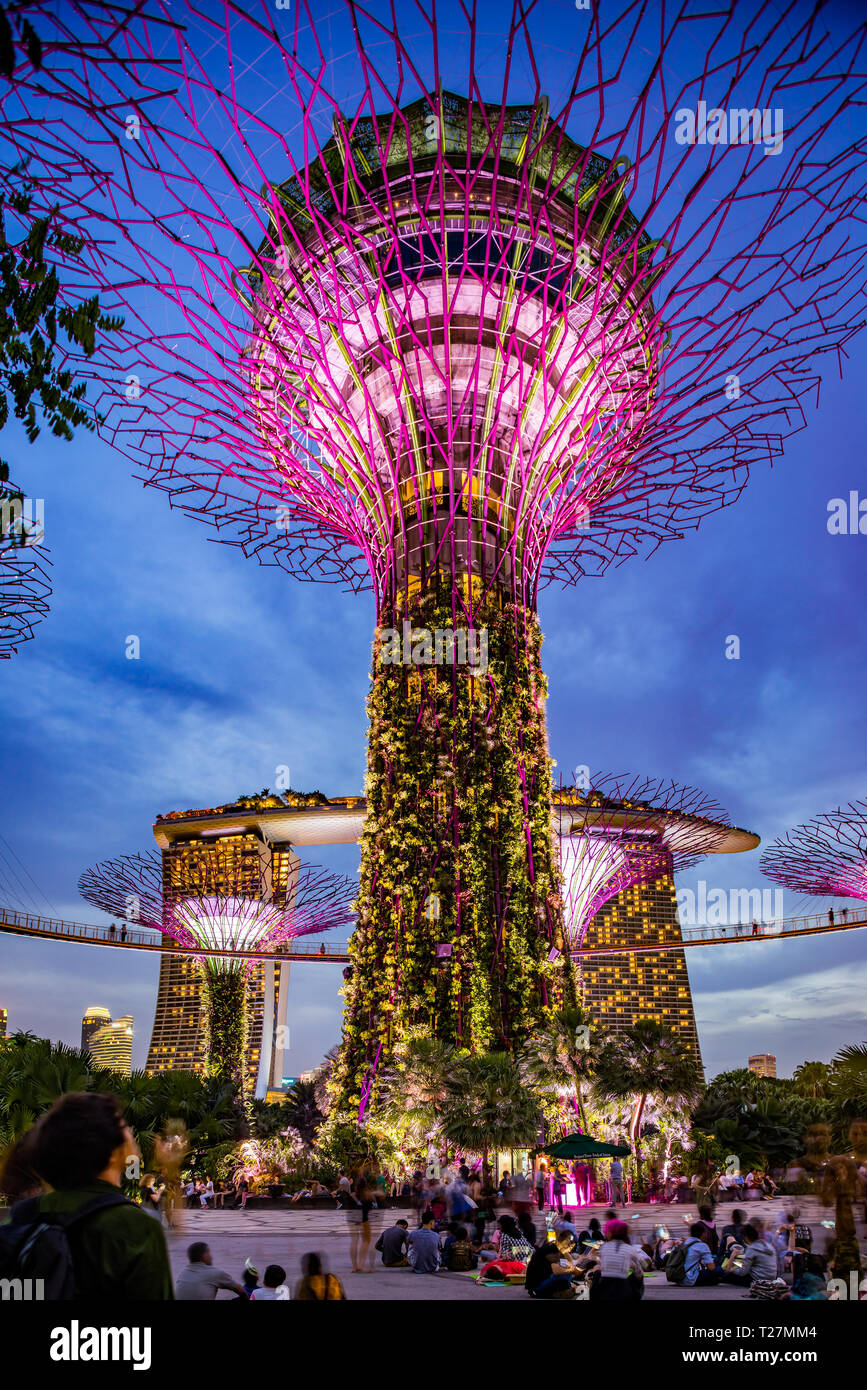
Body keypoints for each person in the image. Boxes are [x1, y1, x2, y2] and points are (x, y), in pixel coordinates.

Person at [11, 1090, 173, 1299]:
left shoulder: (24, 1214)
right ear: (112, 1151)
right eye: (123, 1126)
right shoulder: (136, 1227)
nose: (131, 1132)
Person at [592, 1219, 647, 1301]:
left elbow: (596, 1259)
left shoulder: (604, 1247)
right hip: (623, 1292)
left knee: (596, 1271)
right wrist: (633, 1267)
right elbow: (644, 1265)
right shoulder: (629, 1248)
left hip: (603, 1292)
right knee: (639, 1274)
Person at [175, 1242, 247, 1299]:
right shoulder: (214, 1273)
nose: (211, 1257)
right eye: (209, 1253)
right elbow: (241, 1290)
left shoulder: (183, 1273)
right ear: (204, 1255)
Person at [681, 1222, 720, 1286]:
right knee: (719, 1270)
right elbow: (711, 1268)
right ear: (702, 1234)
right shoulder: (702, 1246)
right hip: (690, 1279)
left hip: (679, 1278)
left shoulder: (685, 1243)